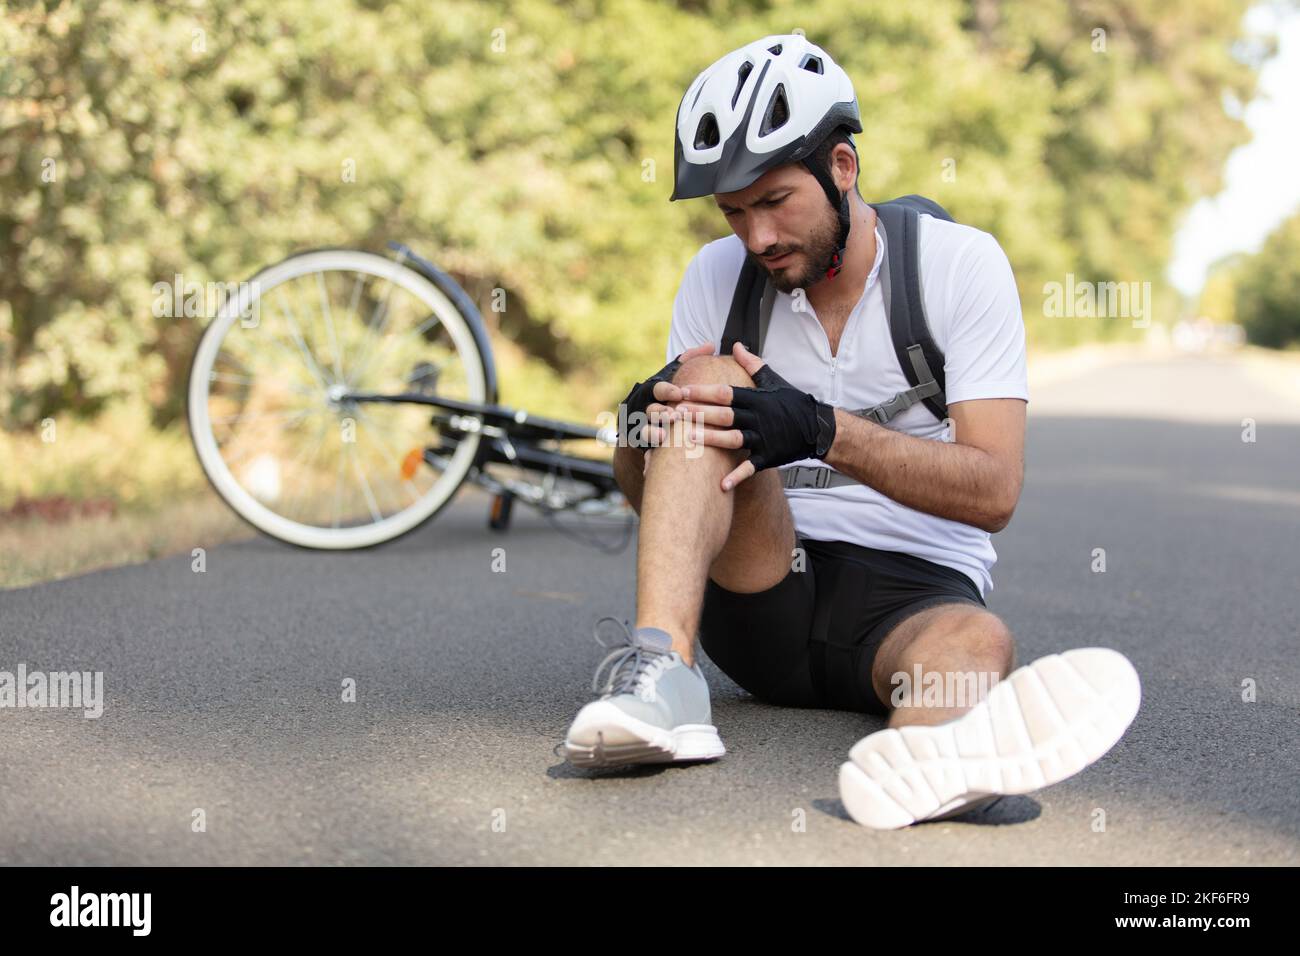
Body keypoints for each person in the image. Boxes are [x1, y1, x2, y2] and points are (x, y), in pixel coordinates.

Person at [561, 34, 1140, 828]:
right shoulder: (715, 279)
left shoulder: (958, 268)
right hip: (760, 590)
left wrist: (823, 431)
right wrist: (639, 437)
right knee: (703, 386)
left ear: (842, 167)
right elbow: (659, 499)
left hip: (913, 598)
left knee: (977, 640)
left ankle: (929, 759)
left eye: (773, 202)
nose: (756, 237)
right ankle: (663, 675)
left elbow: (995, 490)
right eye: (733, 212)